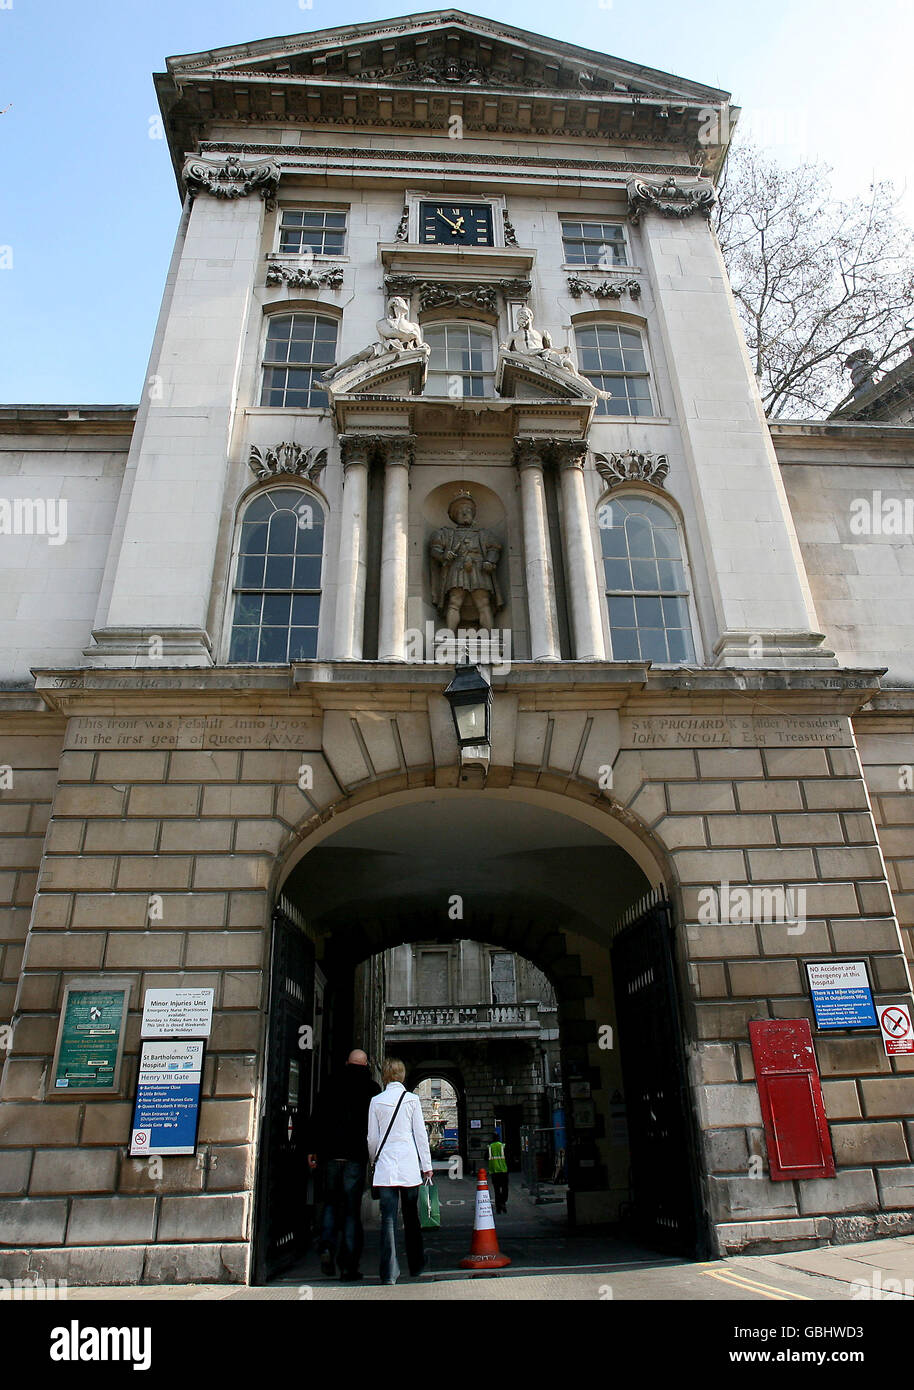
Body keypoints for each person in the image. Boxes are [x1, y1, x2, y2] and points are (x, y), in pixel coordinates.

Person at [307, 1048, 380, 1281]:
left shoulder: (330, 1083)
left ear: (347, 1062)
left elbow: (316, 1117)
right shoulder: (371, 1090)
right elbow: (374, 1127)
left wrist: (312, 1149)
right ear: (366, 1065)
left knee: (330, 1204)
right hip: (355, 1157)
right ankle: (349, 1266)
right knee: (350, 1211)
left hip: (330, 1155)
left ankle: (326, 1245)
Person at [367, 1058, 433, 1285]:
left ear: (385, 1076)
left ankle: (388, 1273)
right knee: (411, 1217)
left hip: (385, 1169)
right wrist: (427, 1166)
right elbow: (420, 1135)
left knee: (388, 1220)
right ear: (402, 1075)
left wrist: (373, 1159)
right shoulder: (412, 1100)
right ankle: (416, 1265)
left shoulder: (376, 1101)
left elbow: (372, 1138)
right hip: (408, 1168)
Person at [487, 1132, 509, 1213]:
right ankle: (503, 1202)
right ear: (499, 1138)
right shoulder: (502, 1146)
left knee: (496, 1190)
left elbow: (486, 1157)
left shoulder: (490, 1147)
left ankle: (498, 1207)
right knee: (505, 1188)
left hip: (494, 1171)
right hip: (503, 1171)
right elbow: (508, 1157)